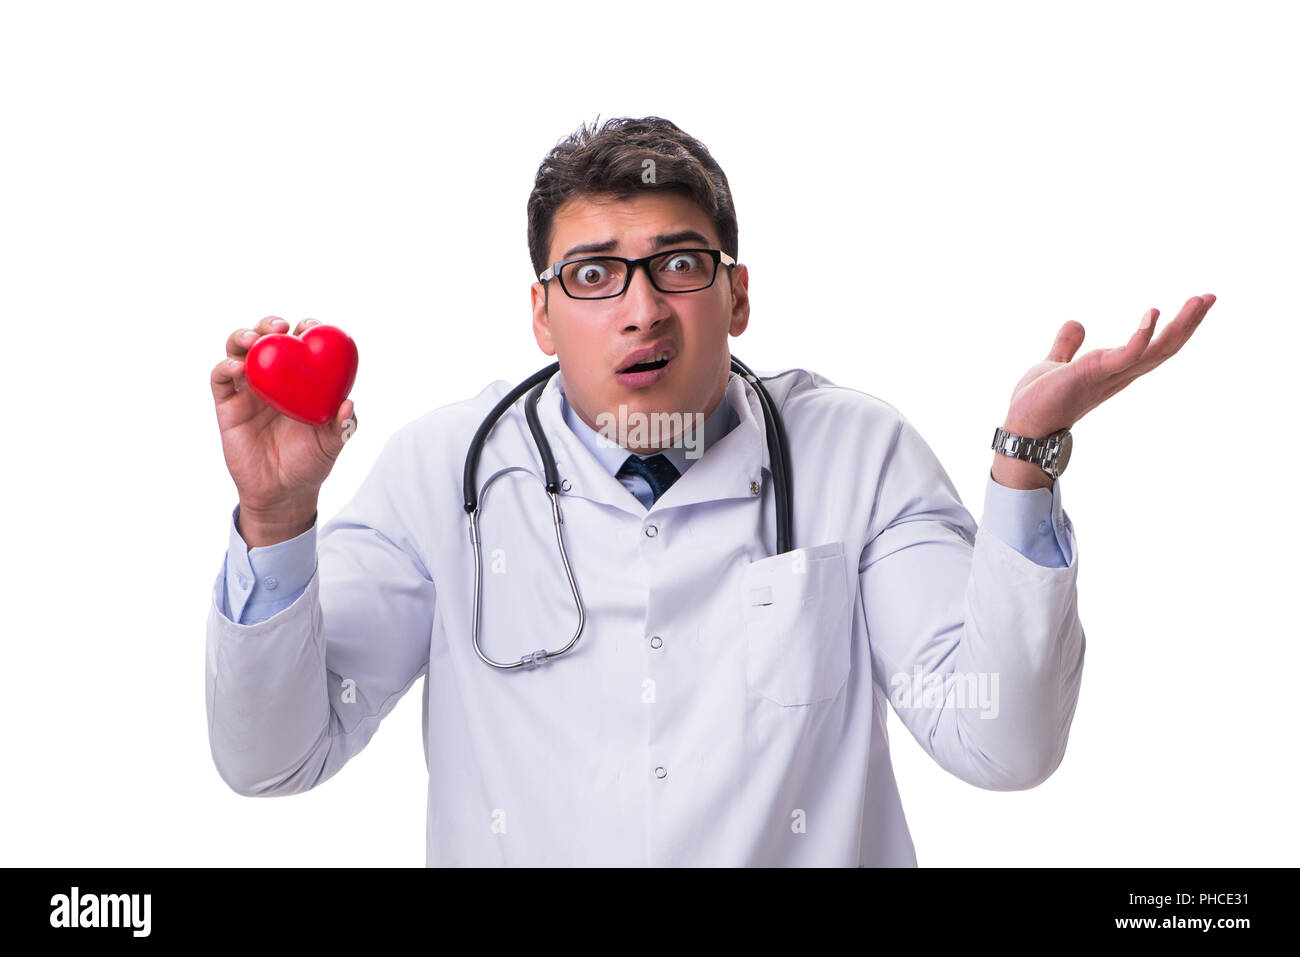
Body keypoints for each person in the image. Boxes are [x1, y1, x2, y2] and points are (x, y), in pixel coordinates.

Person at [206, 115, 1215, 866]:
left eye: (678, 265)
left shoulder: (855, 456)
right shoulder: (443, 472)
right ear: (542, 317)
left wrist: (1022, 461)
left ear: (736, 293)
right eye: (594, 275)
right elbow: (271, 759)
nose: (642, 310)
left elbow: (1003, 743)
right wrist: (277, 520)